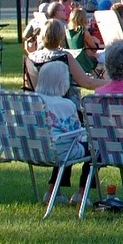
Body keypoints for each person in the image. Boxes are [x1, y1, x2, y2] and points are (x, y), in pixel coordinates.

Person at [34, 60, 91, 205]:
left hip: (32, 149)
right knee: (95, 147)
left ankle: (53, 191)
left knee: (64, 143)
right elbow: (77, 133)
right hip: (58, 150)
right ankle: (81, 194)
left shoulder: (31, 101)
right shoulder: (65, 105)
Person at [25, 20, 106, 98]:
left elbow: (29, 85)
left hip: (40, 102)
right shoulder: (65, 57)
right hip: (65, 103)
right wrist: (113, 83)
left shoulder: (31, 57)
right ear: (61, 36)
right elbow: (87, 83)